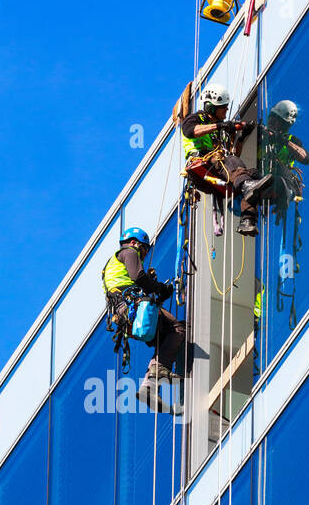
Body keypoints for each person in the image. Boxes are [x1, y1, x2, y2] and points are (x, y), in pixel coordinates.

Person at [181, 83, 273, 236]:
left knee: (253, 174)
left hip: (216, 166)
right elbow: (191, 131)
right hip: (200, 162)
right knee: (235, 168)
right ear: (211, 107)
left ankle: (247, 220)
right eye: (223, 107)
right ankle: (246, 184)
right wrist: (221, 125)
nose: (226, 110)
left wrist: (243, 137)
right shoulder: (196, 118)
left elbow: (234, 155)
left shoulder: (219, 131)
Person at [102, 226, 186, 387]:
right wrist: (161, 288)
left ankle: (150, 386)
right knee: (177, 327)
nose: (144, 254)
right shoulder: (130, 252)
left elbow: (135, 281)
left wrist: (154, 288)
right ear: (134, 242)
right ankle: (159, 371)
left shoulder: (112, 264)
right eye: (144, 249)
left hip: (122, 313)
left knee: (164, 339)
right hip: (130, 305)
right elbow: (139, 277)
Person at [264, 99, 309, 211]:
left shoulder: (291, 141)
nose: (271, 122)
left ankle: (287, 193)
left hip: (281, 183)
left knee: (280, 167)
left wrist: (283, 141)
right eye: (271, 117)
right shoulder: (259, 137)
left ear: (285, 125)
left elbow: (305, 158)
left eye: (277, 120)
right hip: (261, 181)